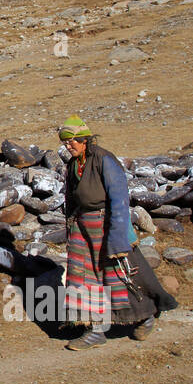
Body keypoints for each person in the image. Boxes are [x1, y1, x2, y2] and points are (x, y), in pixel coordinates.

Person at [58, 114, 177, 350]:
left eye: (71, 141)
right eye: (65, 143)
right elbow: (71, 197)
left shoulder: (104, 160)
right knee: (83, 276)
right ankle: (94, 329)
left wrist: (118, 236)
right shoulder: (73, 165)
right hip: (83, 227)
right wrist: (71, 223)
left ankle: (145, 315)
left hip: (107, 225)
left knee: (122, 275)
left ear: (84, 139)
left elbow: (119, 198)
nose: (67, 146)